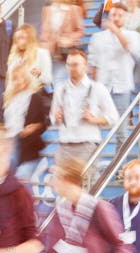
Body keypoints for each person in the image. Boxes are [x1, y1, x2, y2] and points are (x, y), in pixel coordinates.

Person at [50, 49, 119, 183]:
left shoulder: (98, 88)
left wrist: (94, 119)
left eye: (75, 64)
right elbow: (53, 116)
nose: (72, 68)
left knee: (86, 186)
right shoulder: (60, 88)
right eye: (69, 65)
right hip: (65, 143)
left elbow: (113, 117)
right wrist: (56, 118)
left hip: (86, 144)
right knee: (64, 187)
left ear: (86, 66)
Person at [88, 4, 140, 145]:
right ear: (108, 16)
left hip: (122, 86)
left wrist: (116, 32)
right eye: (113, 15)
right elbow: (93, 64)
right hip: (102, 87)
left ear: (126, 18)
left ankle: (120, 167)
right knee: (94, 129)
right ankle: (93, 165)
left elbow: (135, 52)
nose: (116, 18)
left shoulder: (134, 35)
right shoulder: (97, 37)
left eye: (120, 15)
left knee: (121, 131)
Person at [3, 65, 50, 181]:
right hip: (9, 142)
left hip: (26, 144)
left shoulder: (34, 97)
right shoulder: (8, 99)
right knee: (9, 178)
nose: (19, 81)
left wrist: (35, 127)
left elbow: (44, 122)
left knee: (21, 178)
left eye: (21, 78)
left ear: (26, 79)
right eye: (15, 78)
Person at [40, 0, 85, 87]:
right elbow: (44, 30)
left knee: (59, 81)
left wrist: (69, 39)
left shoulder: (74, 9)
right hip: (48, 54)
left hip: (64, 54)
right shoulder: (47, 9)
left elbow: (80, 31)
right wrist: (43, 43)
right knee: (48, 83)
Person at [7, 23, 53, 88]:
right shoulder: (14, 56)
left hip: (33, 94)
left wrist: (38, 75)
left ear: (30, 38)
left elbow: (48, 80)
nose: (19, 41)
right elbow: (10, 81)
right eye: (17, 39)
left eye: (22, 38)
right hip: (15, 95)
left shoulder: (42, 53)